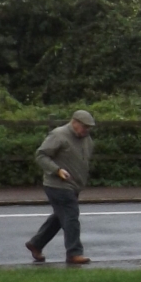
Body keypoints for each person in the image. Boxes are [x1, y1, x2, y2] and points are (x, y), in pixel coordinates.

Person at [27, 110, 97, 266]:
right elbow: (41, 155)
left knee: (60, 217)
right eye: (84, 126)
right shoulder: (59, 135)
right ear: (75, 122)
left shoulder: (86, 139)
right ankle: (74, 253)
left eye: (89, 127)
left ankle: (36, 244)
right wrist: (57, 170)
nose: (86, 130)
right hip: (56, 184)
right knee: (71, 216)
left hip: (74, 185)